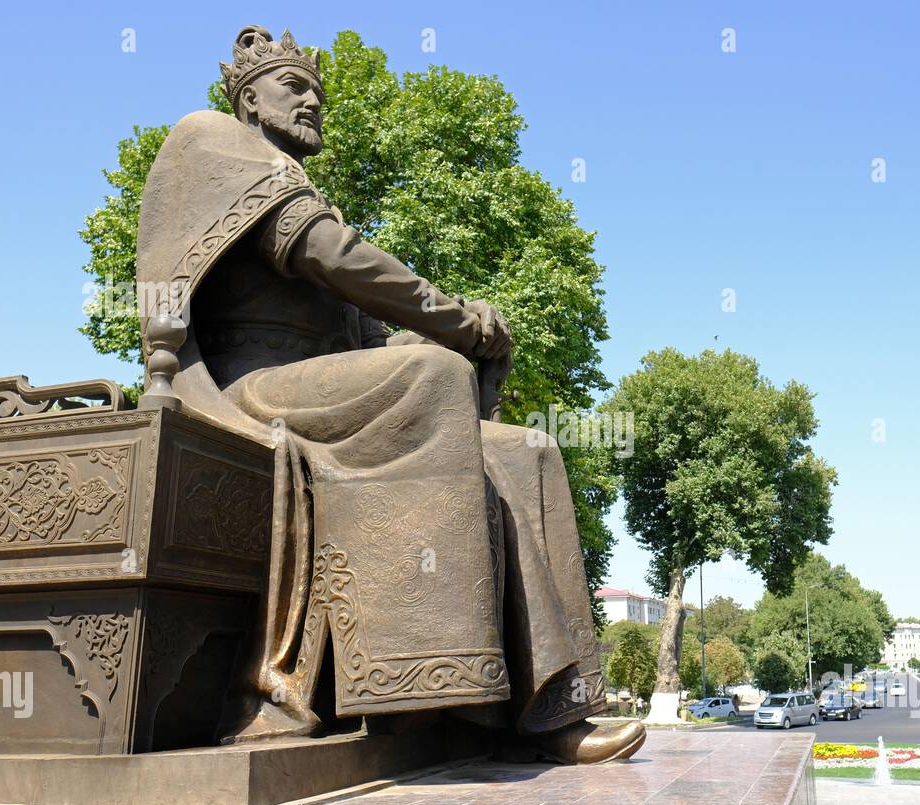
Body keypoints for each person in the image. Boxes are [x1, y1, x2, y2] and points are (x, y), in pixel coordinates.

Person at [136, 25, 645, 764]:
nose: (312, 101)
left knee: (529, 448)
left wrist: (446, 335)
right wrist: (456, 322)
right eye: (294, 88)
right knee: (438, 374)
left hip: (319, 382)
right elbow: (331, 255)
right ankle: (425, 686)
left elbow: (361, 342)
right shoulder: (212, 138)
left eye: (317, 92)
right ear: (250, 98)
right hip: (250, 387)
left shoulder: (295, 178)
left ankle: (548, 715)